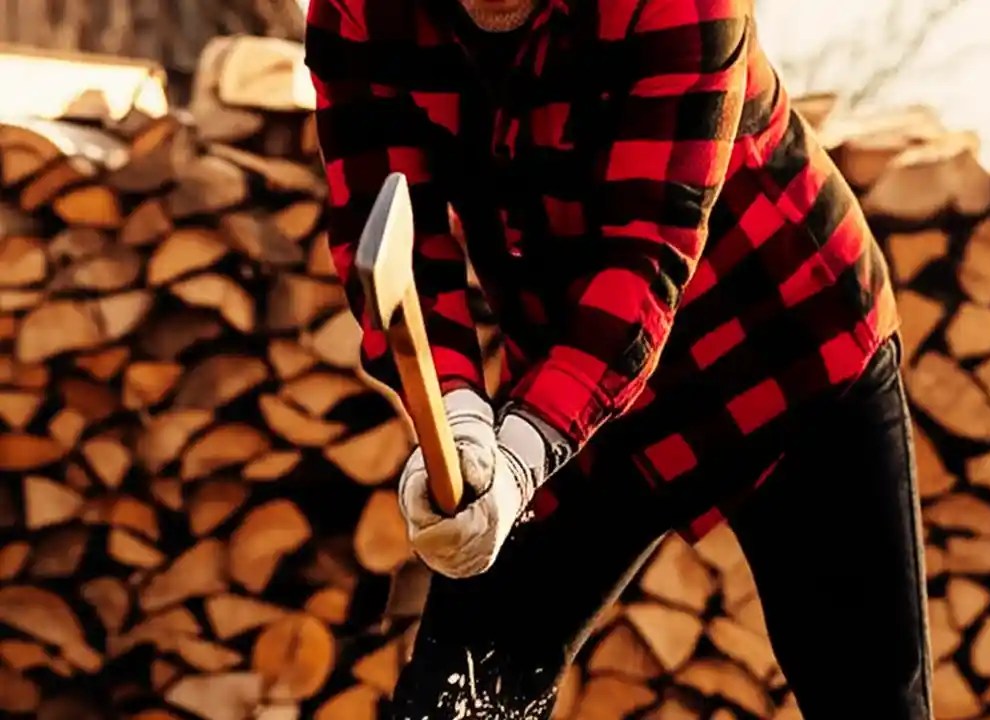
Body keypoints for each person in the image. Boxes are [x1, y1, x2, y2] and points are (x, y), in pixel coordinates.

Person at [304, 0, 933, 717]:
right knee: (458, 697)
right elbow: (389, 235)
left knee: (871, 703)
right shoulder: (360, 10)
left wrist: (521, 459)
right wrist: (457, 415)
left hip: (781, 344)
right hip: (576, 366)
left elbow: (644, 257)